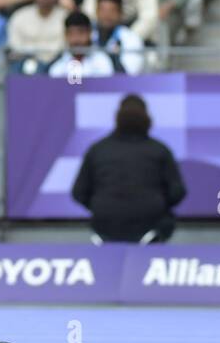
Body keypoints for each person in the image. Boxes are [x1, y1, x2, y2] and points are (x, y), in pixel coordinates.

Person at [71, 94, 186, 243]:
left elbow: (78, 192)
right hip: (151, 225)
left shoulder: (97, 149)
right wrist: (158, 204)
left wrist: (100, 206)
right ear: (147, 118)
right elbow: (177, 191)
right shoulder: (160, 150)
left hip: (104, 225)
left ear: (117, 117)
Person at [6, 0, 66, 71]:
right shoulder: (20, 16)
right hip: (24, 63)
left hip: (56, 64)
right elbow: (14, 46)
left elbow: (64, 48)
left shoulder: (65, 17)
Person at [47, 10, 116, 78]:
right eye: (71, 34)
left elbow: (108, 88)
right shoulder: (57, 68)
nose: (76, 39)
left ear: (90, 33)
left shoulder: (102, 61)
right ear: (65, 35)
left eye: (81, 33)